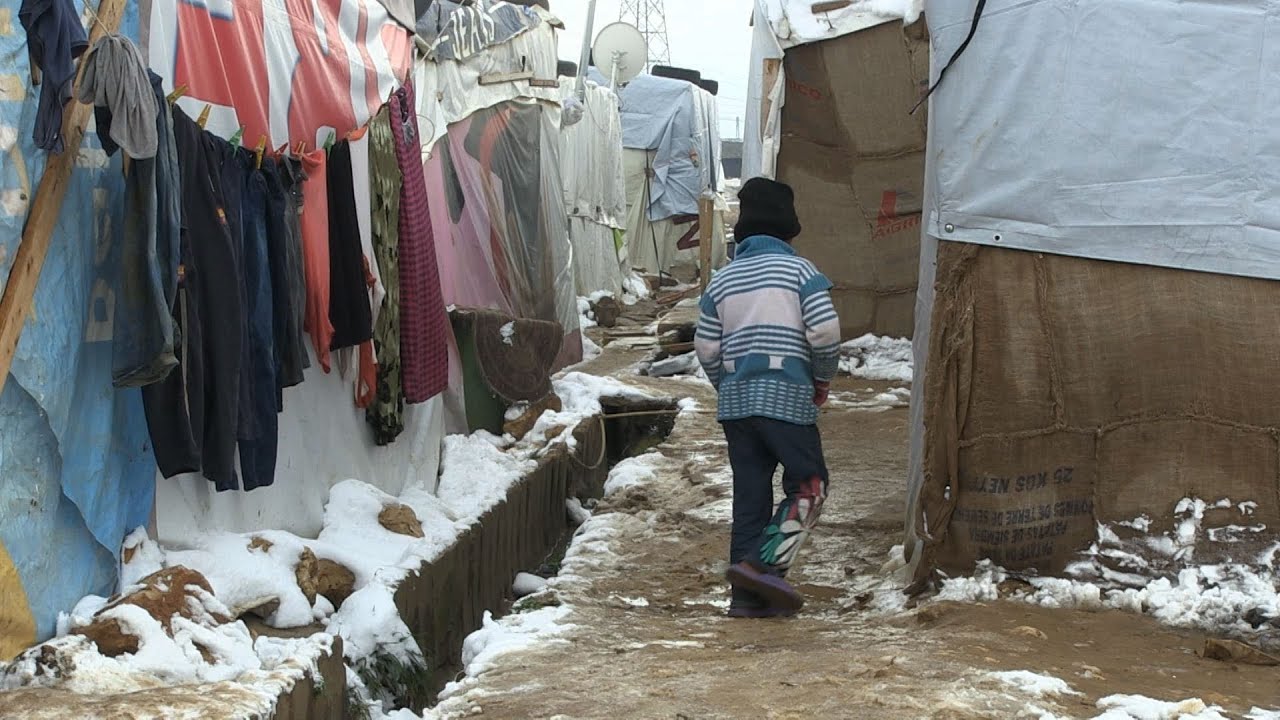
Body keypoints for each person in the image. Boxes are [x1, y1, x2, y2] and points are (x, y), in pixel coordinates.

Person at [694, 177, 841, 618]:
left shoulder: (722, 281)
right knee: (809, 485)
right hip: (787, 400)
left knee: (750, 498)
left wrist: (728, 385)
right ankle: (766, 565)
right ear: (790, 230)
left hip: (737, 409)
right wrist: (822, 379)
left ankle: (745, 600)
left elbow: (706, 347)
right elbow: (826, 334)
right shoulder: (801, 273)